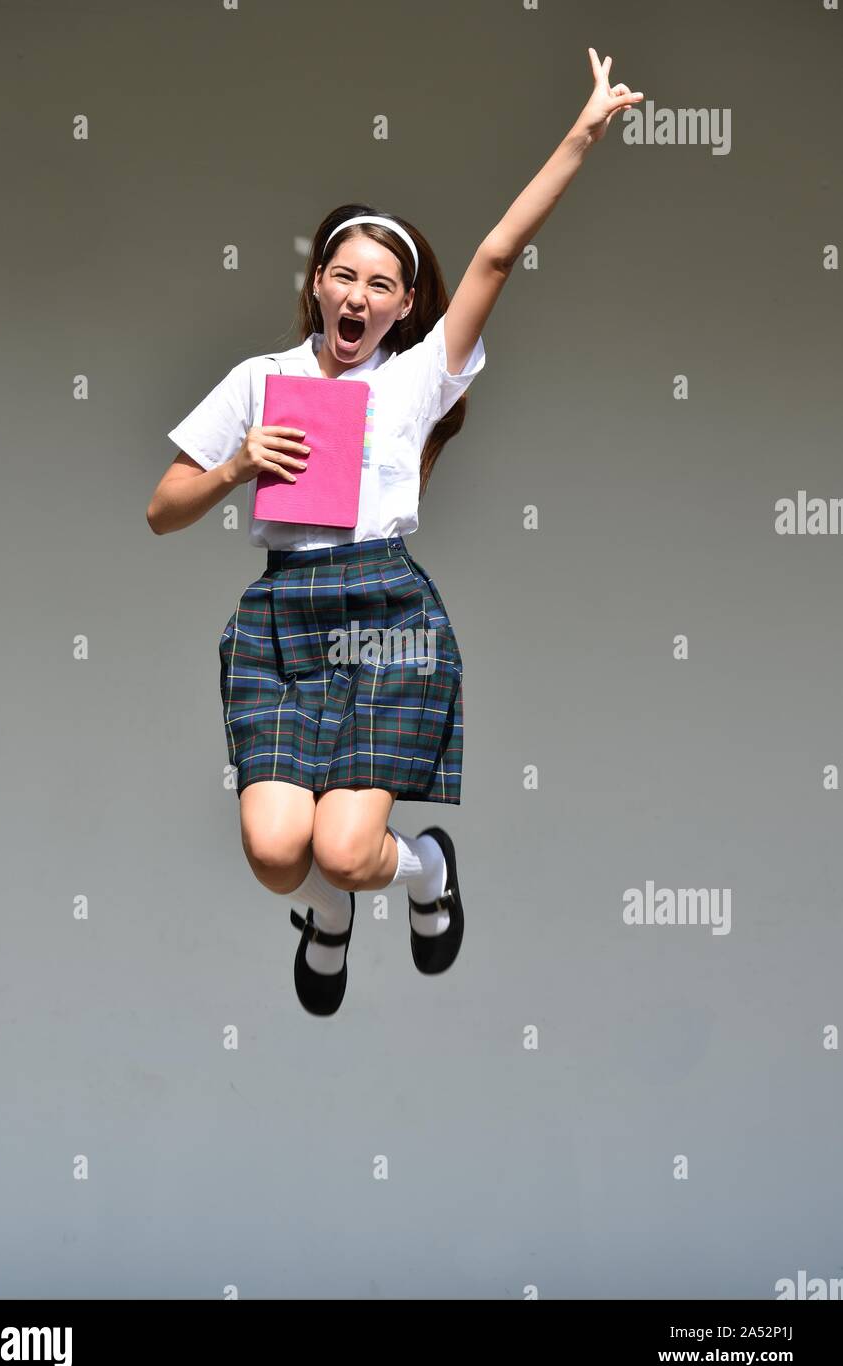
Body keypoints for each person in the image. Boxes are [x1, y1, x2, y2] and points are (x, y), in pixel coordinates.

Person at [146, 48, 644, 1018]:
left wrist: (581, 133)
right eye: (344, 275)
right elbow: (163, 508)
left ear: (403, 305)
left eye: (382, 285)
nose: (359, 297)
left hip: (385, 617)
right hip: (282, 616)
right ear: (318, 284)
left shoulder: (416, 379)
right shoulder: (260, 381)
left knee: (343, 844)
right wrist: (237, 466)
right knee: (276, 852)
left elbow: (496, 253)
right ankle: (327, 914)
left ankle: (422, 873)